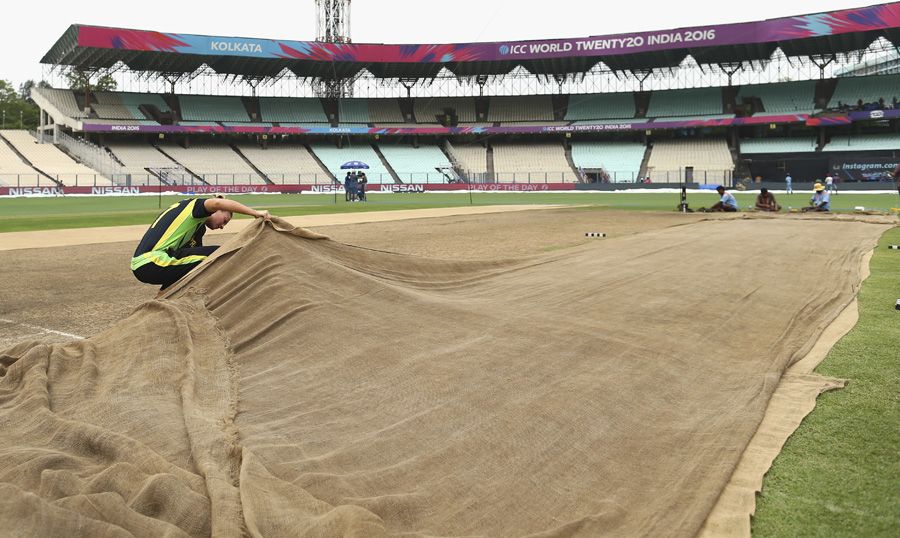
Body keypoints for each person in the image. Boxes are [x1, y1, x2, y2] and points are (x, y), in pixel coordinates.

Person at [131, 196, 272, 291]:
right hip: (152, 261)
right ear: (216, 211)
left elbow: (194, 266)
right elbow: (217, 202)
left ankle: (160, 300)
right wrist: (254, 213)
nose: (222, 226)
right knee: (222, 253)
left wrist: (164, 292)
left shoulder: (197, 228)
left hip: (149, 265)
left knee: (200, 264)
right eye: (224, 220)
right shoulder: (195, 206)